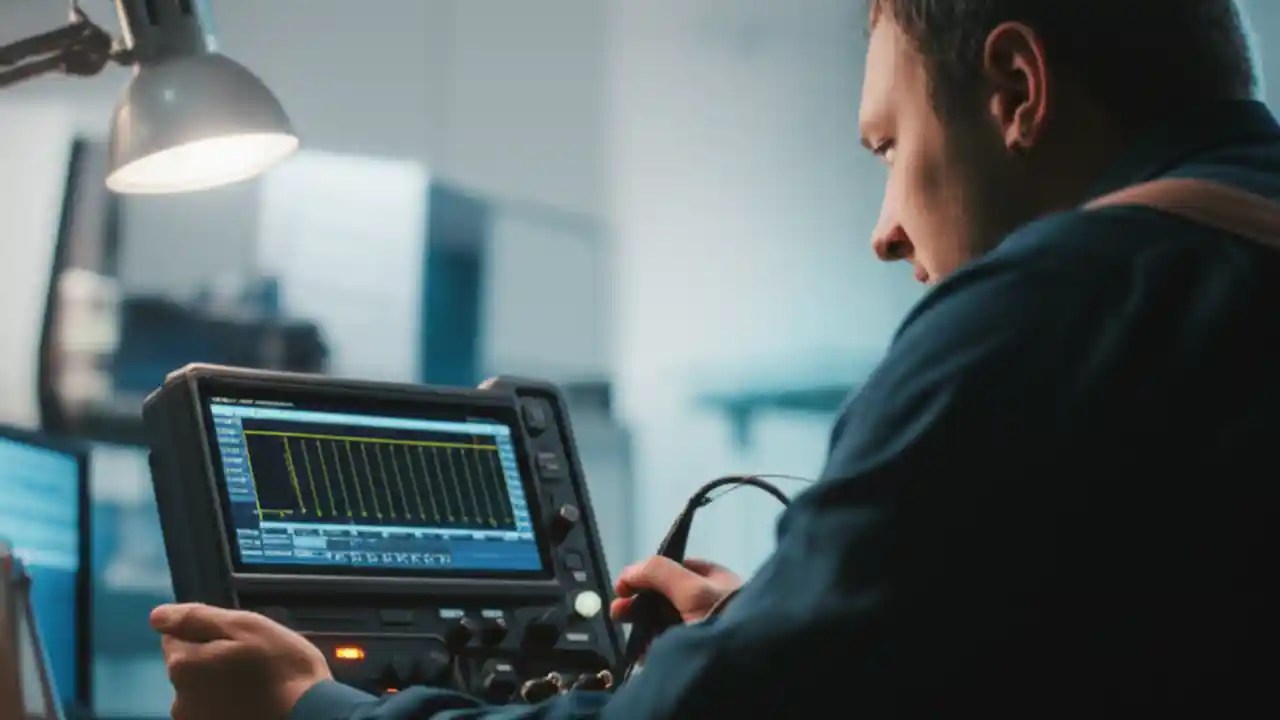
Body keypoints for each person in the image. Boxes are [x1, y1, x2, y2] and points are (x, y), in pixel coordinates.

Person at [150, 1, 1280, 718]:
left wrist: (308, 706)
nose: (883, 228)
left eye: (889, 148)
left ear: (1015, 91)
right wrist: (791, 630)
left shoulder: (1045, 311)